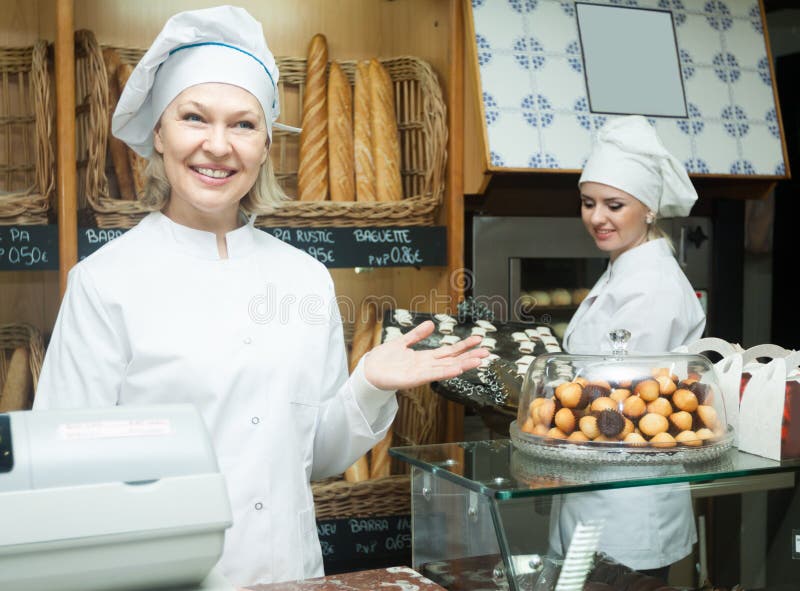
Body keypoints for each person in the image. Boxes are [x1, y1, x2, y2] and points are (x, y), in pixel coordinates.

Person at [32, 6, 487, 588]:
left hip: (290, 574)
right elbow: (65, 473)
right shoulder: (106, 282)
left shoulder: (304, 278)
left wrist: (369, 384)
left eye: (243, 125)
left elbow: (315, 457)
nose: (217, 146)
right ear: (160, 133)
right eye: (194, 118)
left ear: (267, 143)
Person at [550, 115, 706, 580]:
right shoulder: (625, 269)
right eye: (588, 203)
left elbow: (623, 398)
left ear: (649, 209)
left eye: (614, 205)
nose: (597, 218)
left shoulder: (652, 286)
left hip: (630, 507)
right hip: (597, 492)